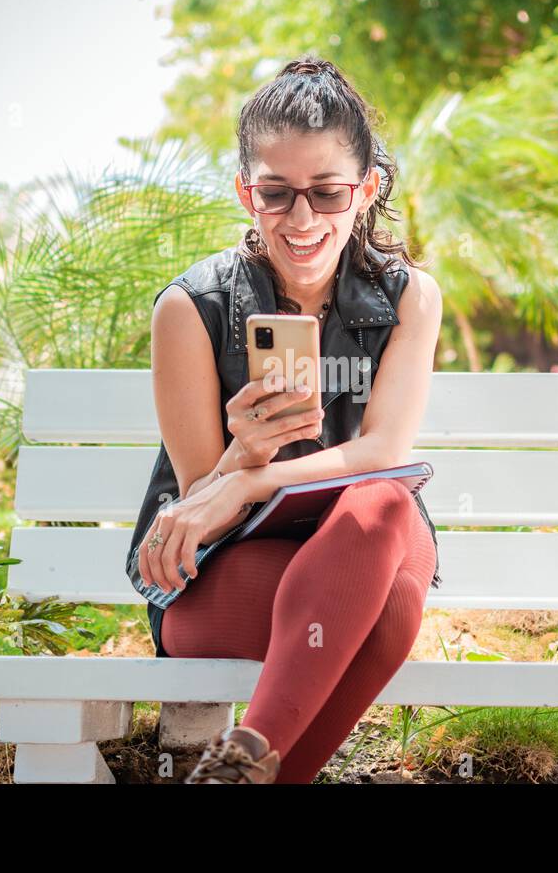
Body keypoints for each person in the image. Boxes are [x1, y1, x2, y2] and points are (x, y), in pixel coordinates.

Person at [124, 54, 444, 784]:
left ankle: (246, 758)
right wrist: (239, 464)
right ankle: (257, 767)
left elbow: (385, 449)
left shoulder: (408, 299)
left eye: (327, 193)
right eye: (277, 193)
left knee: (385, 500)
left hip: (368, 540)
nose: (302, 220)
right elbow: (203, 505)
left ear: (363, 192)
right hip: (229, 573)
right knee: (388, 613)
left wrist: (250, 480)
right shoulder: (192, 309)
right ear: (246, 192)